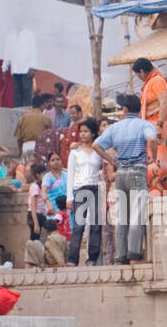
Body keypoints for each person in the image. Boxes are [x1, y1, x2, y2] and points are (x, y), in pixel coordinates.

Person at [92, 93, 156, 264]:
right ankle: (134, 254)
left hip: (121, 173)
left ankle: (121, 255)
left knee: (123, 216)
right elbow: (152, 139)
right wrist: (153, 157)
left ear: (126, 110)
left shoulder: (115, 128)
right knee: (136, 214)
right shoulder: (144, 124)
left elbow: (95, 145)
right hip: (138, 171)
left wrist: (111, 159)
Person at [133, 58, 167, 195]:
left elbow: (164, 103)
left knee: (161, 164)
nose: (138, 78)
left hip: (162, 127)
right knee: (154, 163)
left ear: (141, 72)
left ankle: (163, 196)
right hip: (153, 129)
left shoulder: (157, 80)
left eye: (138, 75)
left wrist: (159, 125)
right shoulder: (150, 82)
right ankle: (156, 194)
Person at [66, 118, 104, 265]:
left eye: (86, 131)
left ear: (93, 133)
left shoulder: (98, 151)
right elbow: (70, 174)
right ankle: (73, 259)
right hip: (80, 189)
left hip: (95, 188)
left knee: (95, 225)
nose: (82, 134)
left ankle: (92, 258)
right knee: (79, 225)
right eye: (80, 131)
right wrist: (70, 197)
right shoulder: (75, 152)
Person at [15, 93, 54, 158]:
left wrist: (20, 151)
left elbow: (19, 139)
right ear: (42, 105)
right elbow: (51, 137)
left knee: (27, 167)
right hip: (40, 146)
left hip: (26, 146)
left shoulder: (23, 118)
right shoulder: (46, 119)